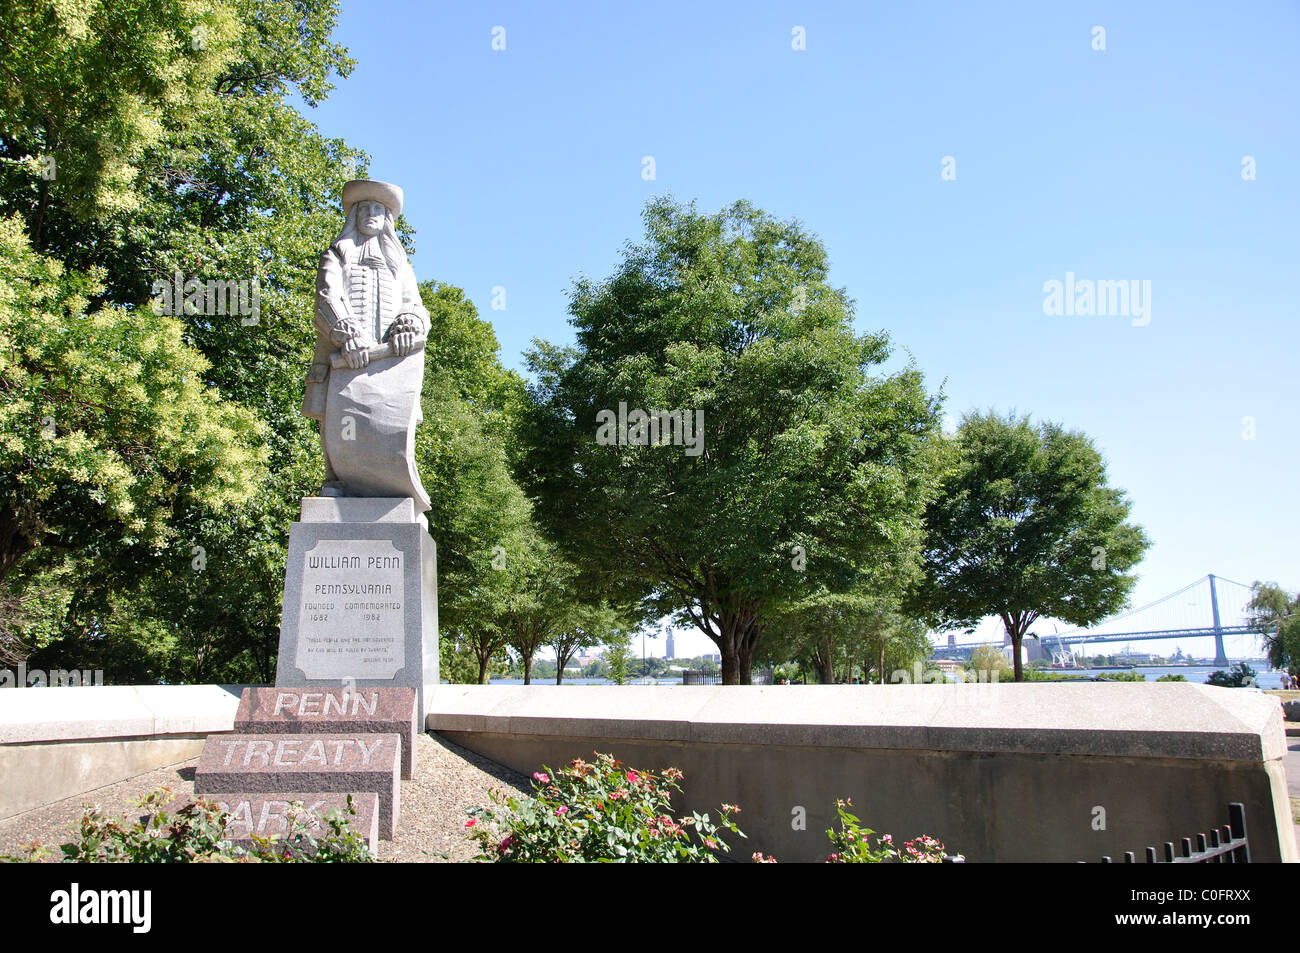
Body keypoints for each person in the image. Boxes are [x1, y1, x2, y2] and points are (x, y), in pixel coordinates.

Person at [304, 180, 430, 496]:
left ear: (387, 218)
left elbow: (415, 305)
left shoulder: (400, 264)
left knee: (389, 422)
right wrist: (346, 335)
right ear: (356, 215)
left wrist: (408, 325)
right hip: (345, 355)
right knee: (337, 418)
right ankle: (337, 480)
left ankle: (389, 483)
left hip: (387, 361)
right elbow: (325, 296)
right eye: (366, 208)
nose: (371, 214)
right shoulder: (337, 254)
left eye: (378, 209)